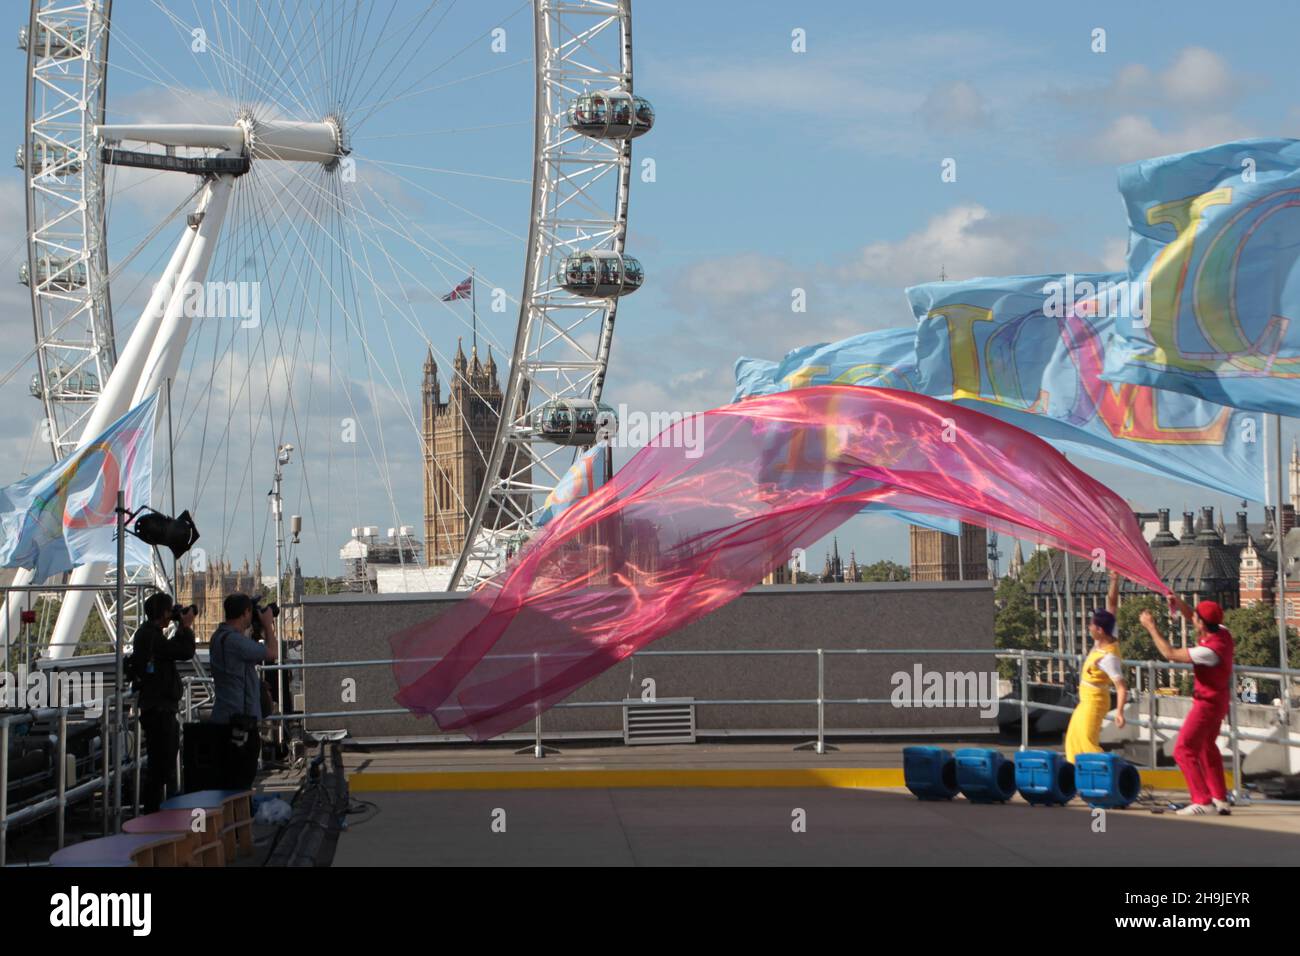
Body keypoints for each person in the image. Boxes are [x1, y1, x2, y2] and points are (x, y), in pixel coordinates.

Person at [1140, 596, 1235, 816]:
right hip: (1219, 700)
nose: (1193, 619)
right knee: (1206, 747)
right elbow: (1192, 614)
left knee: (1183, 749)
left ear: (1202, 624)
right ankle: (1220, 799)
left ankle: (1202, 800)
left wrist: (1151, 627)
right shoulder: (1223, 633)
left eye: (1197, 618)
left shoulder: (1208, 652)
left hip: (1206, 704)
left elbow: (1170, 654)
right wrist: (1177, 602)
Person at [129, 592, 196, 813]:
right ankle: (152, 814)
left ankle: (156, 811)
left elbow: (171, 650)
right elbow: (184, 651)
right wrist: (184, 627)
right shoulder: (149, 636)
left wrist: (179, 625)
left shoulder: (150, 635)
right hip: (158, 711)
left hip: (158, 709)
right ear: (163, 612)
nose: (172, 615)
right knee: (160, 766)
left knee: (162, 764)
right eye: (170, 611)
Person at [208, 593, 277, 790]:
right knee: (241, 779)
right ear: (246, 612)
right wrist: (267, 625)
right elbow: (272, 653)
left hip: (223, 716)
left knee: (230, 780)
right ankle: (240, 818)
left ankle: (235, 817)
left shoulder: (218, 637)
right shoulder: (235, 642)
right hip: (240, 722)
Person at [1064, 571, 1128, 763]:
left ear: (1100, 630)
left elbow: (1121, 686)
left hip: (1095, 702)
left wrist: (1119, 712)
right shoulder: (1106, 635)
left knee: (1088, 742)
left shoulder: (1108, 657)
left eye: (1092, 626)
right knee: (1073, 740)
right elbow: (1113, 605)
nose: (1089, 628)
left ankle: (1106, 773)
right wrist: (1115, 580)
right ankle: (1078, 774)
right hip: (1086, 700)